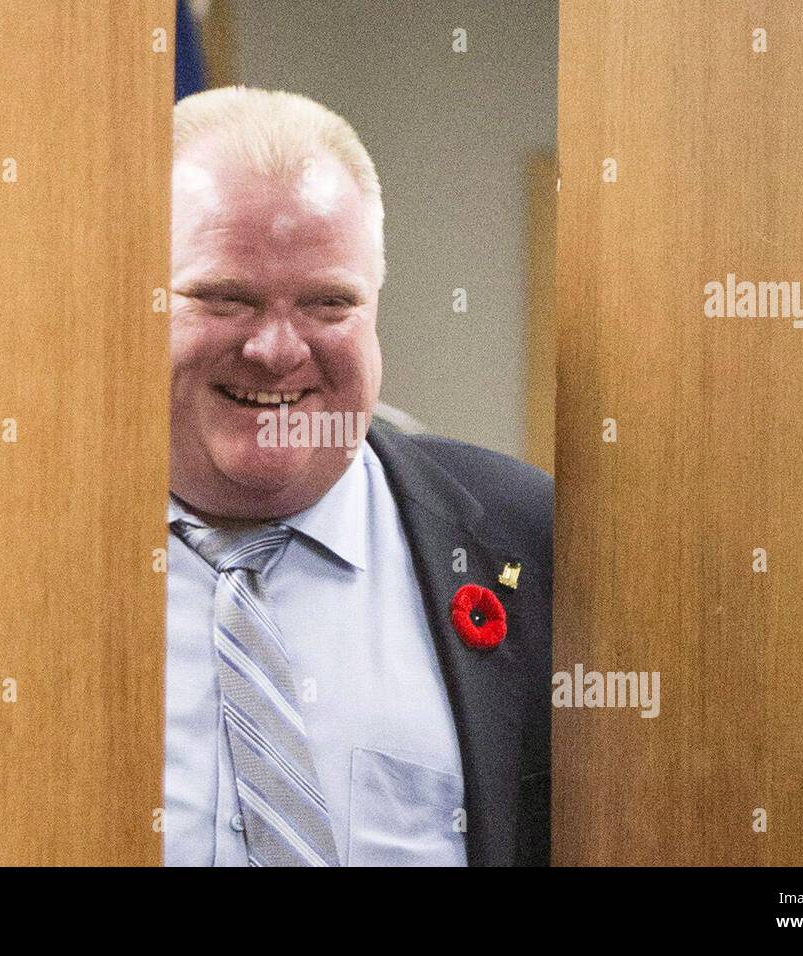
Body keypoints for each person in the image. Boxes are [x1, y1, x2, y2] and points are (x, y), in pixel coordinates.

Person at [165, 85, 552, 866]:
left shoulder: (534, 542)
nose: (276, 350)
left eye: (327, 304)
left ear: (376, 307)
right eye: (224, 299)